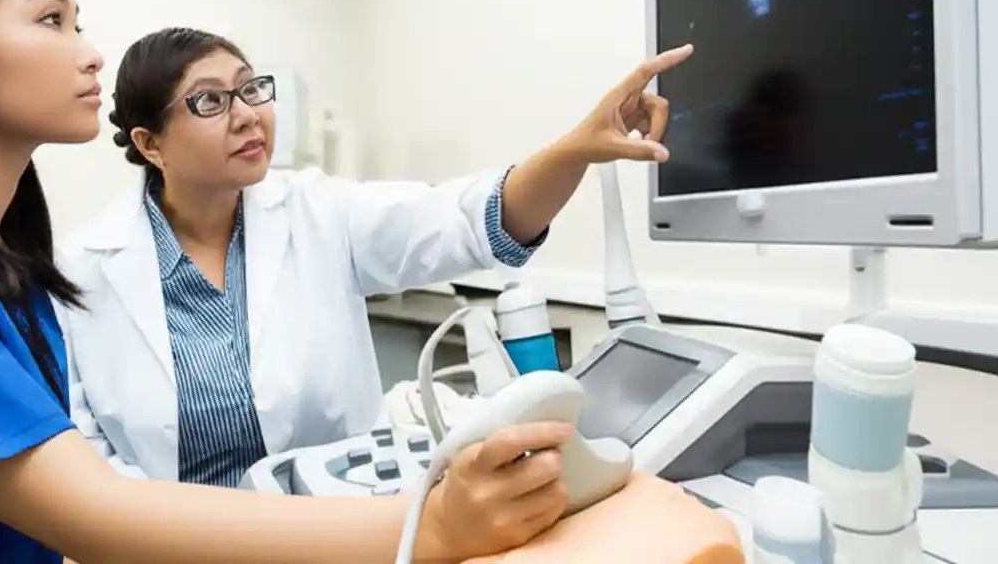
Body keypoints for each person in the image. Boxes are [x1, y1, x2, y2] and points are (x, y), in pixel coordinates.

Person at [0, 0, 585, 564]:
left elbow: (453, 218)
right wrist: (425, 528)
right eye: (53, 21)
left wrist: (572, 153)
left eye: (252, 90)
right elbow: (91, 510)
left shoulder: (2, 274)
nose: (90, 51)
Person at [57, 27, 691, 487]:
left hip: (337, 536)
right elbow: (89, 464)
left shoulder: (318, 212)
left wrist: (576, 149)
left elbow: (471, 219)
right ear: (151, 144)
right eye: (210, 100)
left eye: (252, 89)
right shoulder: (81, 267)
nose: (248, 114)